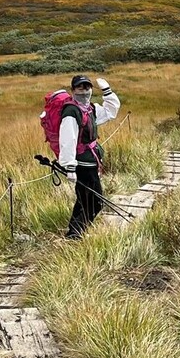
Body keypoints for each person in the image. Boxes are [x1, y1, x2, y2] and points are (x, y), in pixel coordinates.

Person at [59, 74, 120, 238]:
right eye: (80, 88)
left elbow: (110, 112)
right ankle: (75, 234)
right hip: (82, 164)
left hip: (91, 161)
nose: (84, 91)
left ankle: (74, 231)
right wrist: (70, 167)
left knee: (84, 199)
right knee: (95, 202)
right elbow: (68, 140)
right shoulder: (71, 112)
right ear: (73, 90)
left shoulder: (90, 108)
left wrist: (107, 92)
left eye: (87, 87)